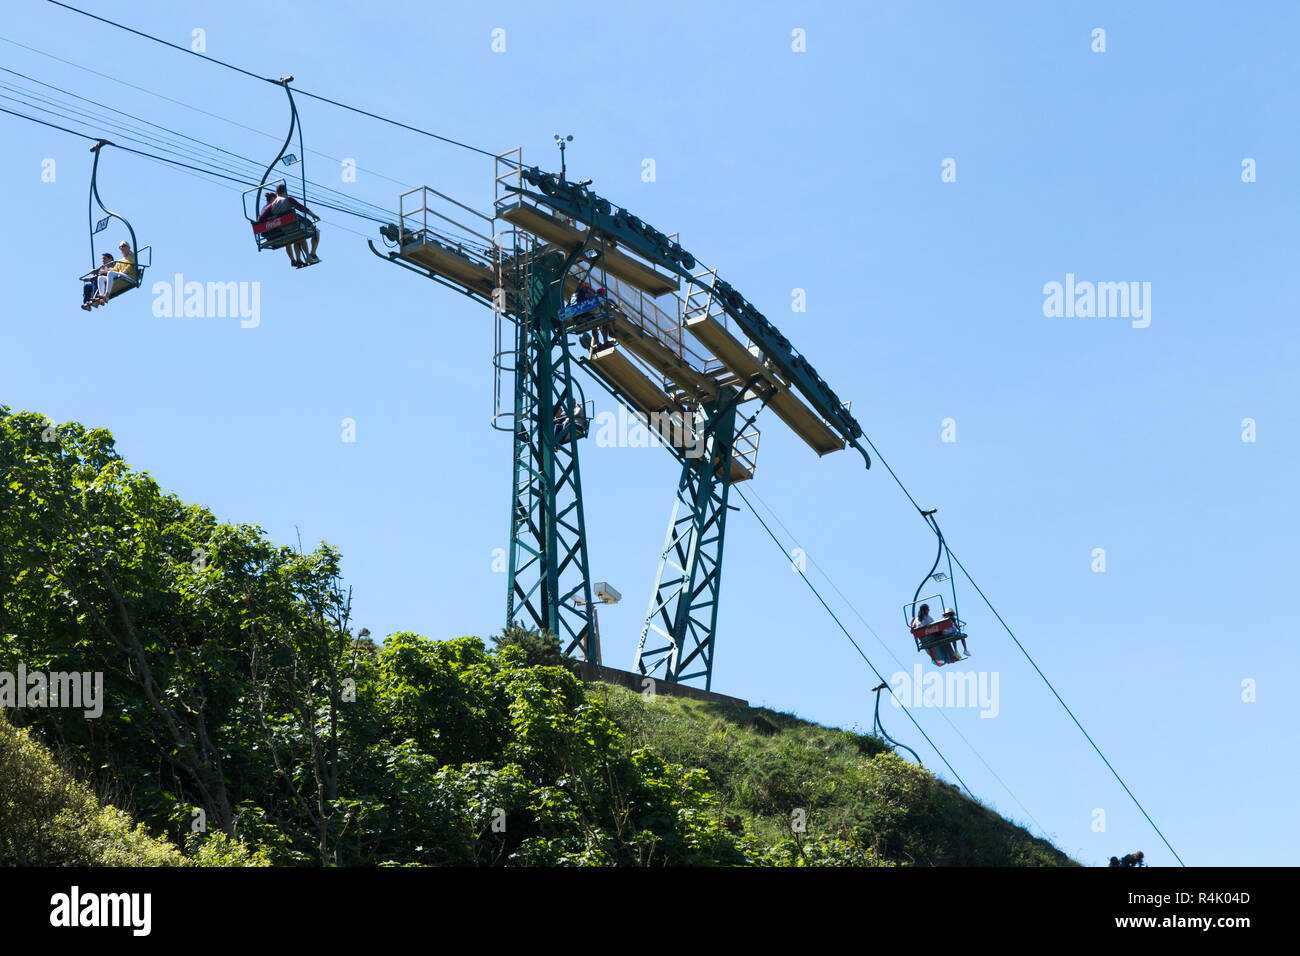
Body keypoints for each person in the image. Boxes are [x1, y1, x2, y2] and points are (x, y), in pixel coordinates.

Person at [272, 183, 320, 267]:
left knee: (296, 237)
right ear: (285, 192)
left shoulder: (272, 206)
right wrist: (313, 215)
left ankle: (299, 259)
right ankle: (312, 254)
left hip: (284, 230)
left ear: (276, 193)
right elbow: (301, 208)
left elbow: (262, 217)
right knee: (315, 231)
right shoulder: (288, 200)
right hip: (295, 227)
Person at [88, 241, 138, 306]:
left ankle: (107, 295)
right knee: (101, 278)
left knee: (111, 273)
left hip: (129, 277)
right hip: (121, 275)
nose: (121, 248)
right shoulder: (120, 260)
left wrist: (122, 272)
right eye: (120, 247)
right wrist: (103, 269)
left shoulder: (132, 257)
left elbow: (130, 266)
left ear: (128, 247)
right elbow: (114, 270)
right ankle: (102, 298)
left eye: (123, 246)